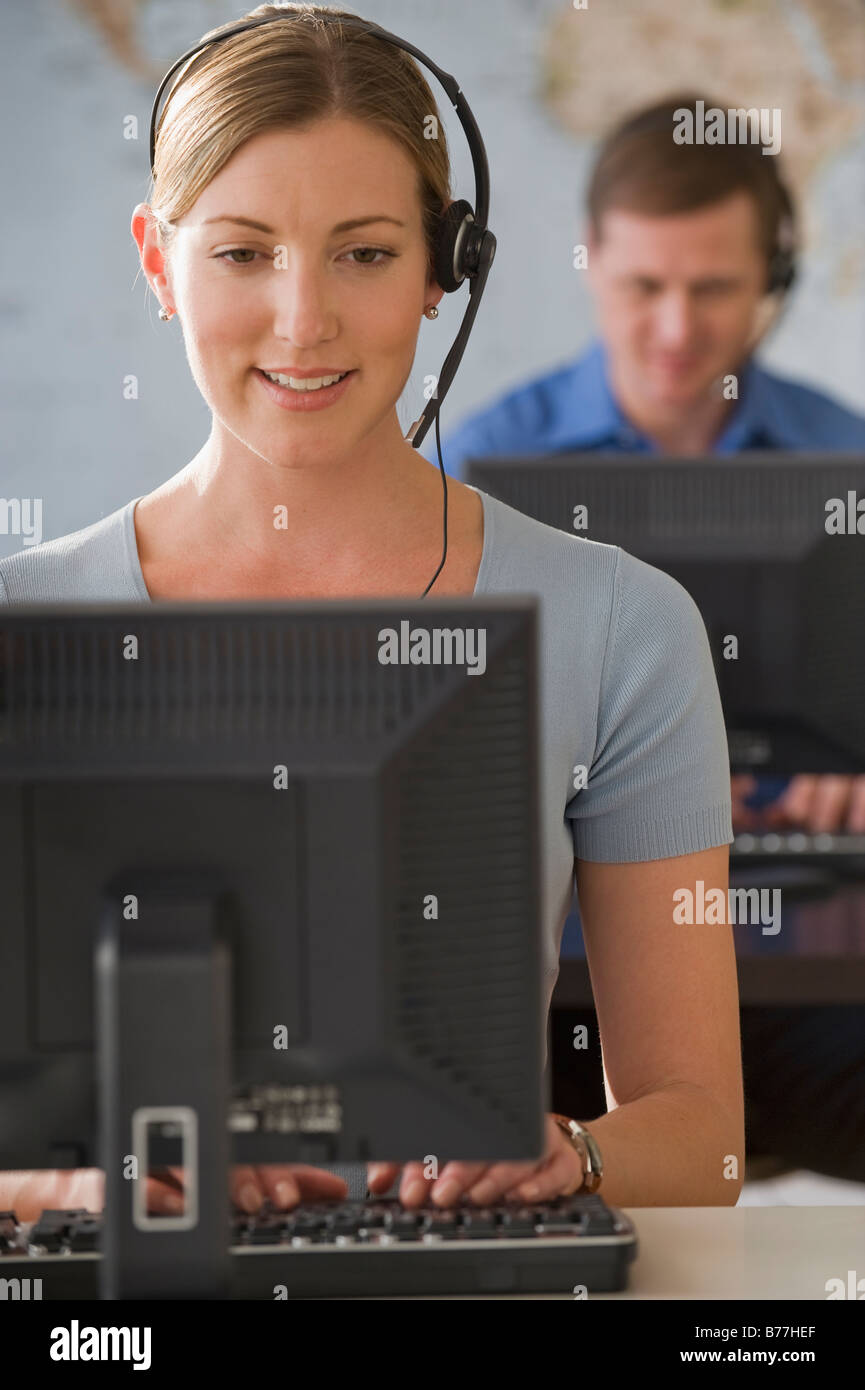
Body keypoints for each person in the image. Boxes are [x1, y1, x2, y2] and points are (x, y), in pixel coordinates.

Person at [0, 6, 743, 1222]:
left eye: (364, 252)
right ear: (156, 262)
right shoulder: (19, 624)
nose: (304, 320)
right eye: (242, 253)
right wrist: (84, 1184)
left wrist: (577, 1158)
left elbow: (706, 1143)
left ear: (446, 268)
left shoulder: (621, 625)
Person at [441, 95, 865, 1181]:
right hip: (567, 995)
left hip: (812, 970)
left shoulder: (844, 458)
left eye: (714, 287)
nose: (677, 330)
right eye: (644, 286)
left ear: (773, 280)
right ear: (592, 266)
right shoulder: (481, 468)